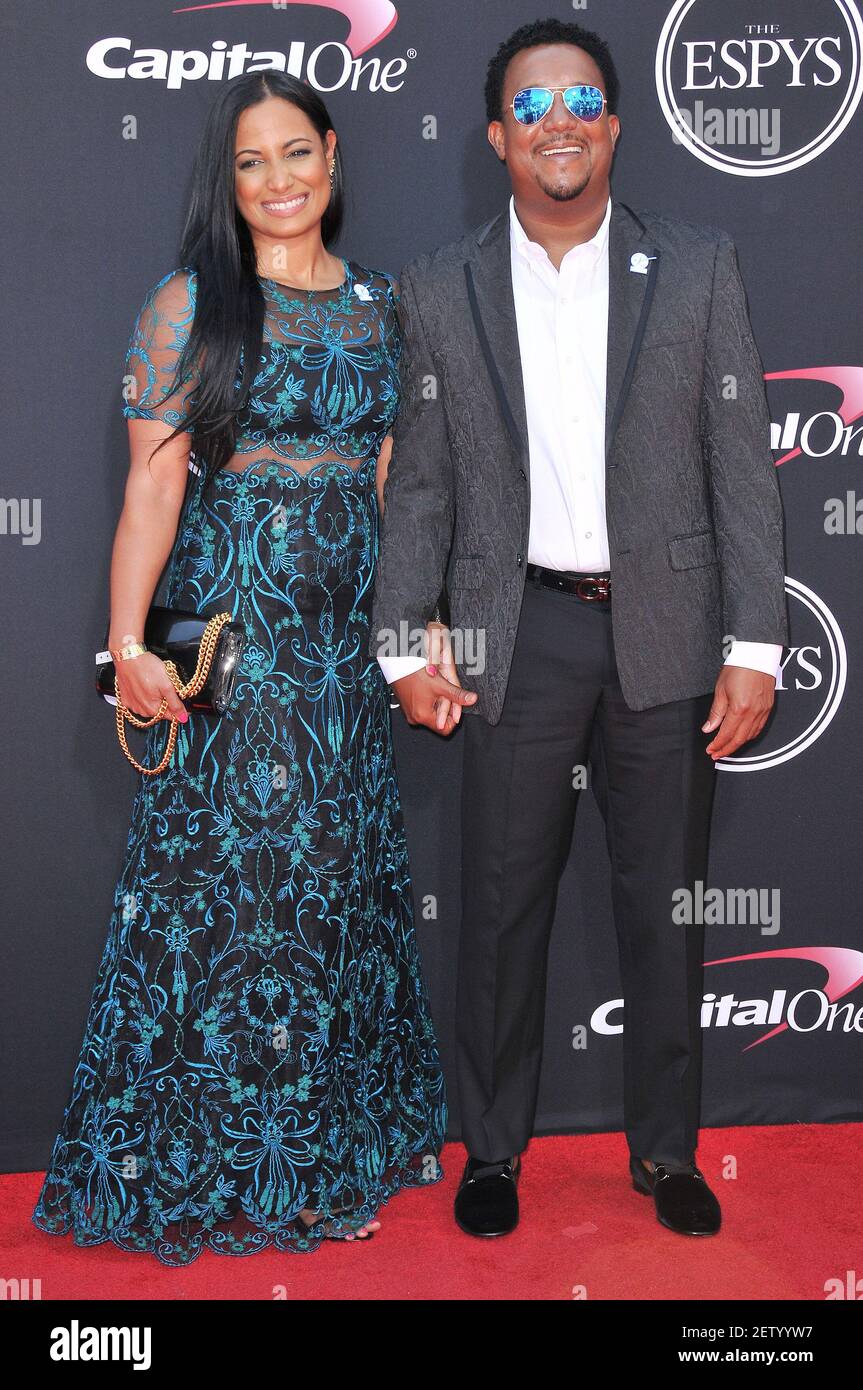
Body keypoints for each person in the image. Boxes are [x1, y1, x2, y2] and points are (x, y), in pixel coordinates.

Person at [371, 18, 788, 1239]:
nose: (558, 120)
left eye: (582, 99)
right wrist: (406, 638)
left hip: (664, 630)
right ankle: (490, 1152)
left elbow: (740, 467)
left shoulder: (698, 263)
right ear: (499, 135)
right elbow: (426, 485)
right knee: (498, 909)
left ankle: (666, 1153)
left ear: (612, 123)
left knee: (663, 904)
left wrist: (753, 643)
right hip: (517, 630)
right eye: (532, 103)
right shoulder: (439, 286)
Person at [31, 71, 446, 1266]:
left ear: (330, 155)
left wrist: (412, 645)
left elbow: (388, 490)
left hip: (342, 667)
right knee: (241, 916)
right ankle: (237, 1166)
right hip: (239, 657)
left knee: (334, 908)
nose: (277, 181)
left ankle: (324, 1153)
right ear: (229, 180)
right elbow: (152, 490)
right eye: (250, 162)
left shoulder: (378, 307)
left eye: (295, 153)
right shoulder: (189, 304)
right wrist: (125, 652)